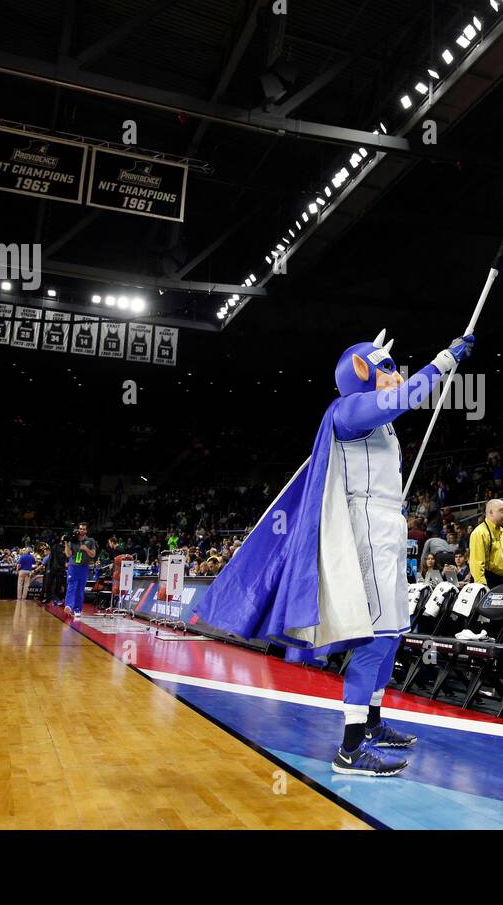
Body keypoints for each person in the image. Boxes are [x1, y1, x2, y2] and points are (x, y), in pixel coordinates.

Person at [190, 328, 476, 778]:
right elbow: (398, 399)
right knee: (375, 634)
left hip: (387, 525)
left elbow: (395, 405)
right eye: (386, 368)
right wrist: (442, 362)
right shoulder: (348, 410)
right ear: (361, 370)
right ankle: (349, 749)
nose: (394, 376)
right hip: (365, 527)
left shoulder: (378, 423)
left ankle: (374, 723)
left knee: (394, 631)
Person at [469, 498, 503, 588]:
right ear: (491, 513)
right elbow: (477, 563)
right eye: (502, 510)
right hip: (488, 582)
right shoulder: (479, 533)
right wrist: (482, 587)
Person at [64, 522, 98, 617]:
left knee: (80, 588)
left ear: (86, 530)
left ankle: (77, 609)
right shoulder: (72, 540)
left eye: (84, 529)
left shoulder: (90, 541)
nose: (82, 530)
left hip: (84, 567)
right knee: (71, 586)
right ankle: (69, 606)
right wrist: (66, 543)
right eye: (80, 528)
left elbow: (93, 554)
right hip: (73, 566)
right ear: (78, 529)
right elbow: (68, 554)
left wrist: (86, 549)